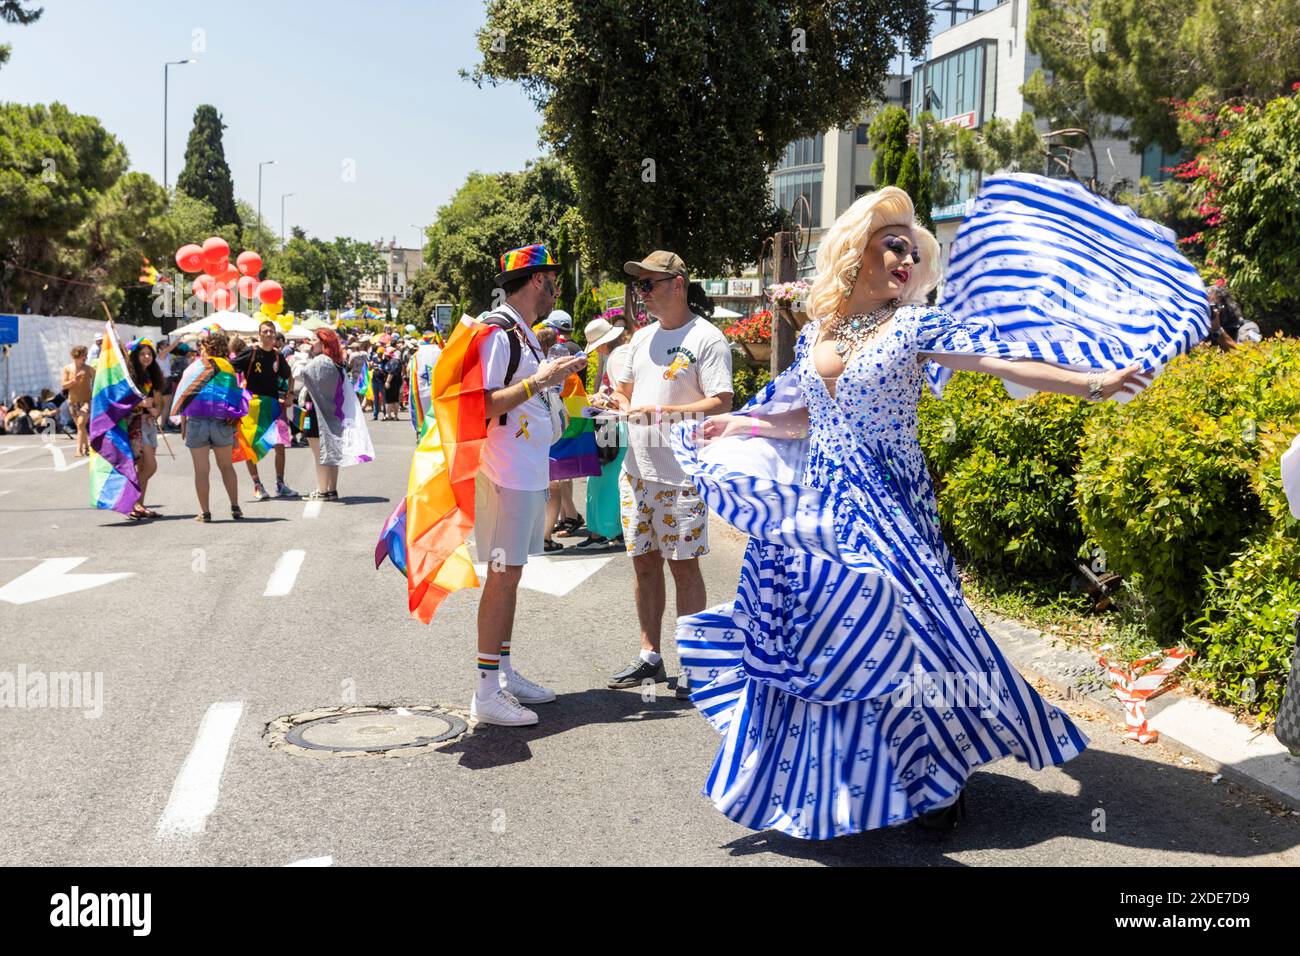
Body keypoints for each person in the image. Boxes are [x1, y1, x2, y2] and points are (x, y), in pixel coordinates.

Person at [670, 186, 1154, 839]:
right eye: (892, 244)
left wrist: (1091, 382)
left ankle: (939, 778)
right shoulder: (822, 333)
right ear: (856, 250)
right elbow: (805, 413)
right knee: (824, 638)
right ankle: (837, 783)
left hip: (889, 501)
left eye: (913, 250)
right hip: (822, 503)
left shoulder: (913, 324)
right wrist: (735, 423)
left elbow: (995, 359)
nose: (906, 259)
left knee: (915, 639)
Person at [595, 251, 733, 698]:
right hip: (637, 471)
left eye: (649, 285)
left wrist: (665, 412)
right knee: (644, 567)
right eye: (639, 286)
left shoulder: (707, 338)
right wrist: (610, 400)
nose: (642, 293)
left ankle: (695, 664)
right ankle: (650, 657)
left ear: (678, 283)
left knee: (684, 569)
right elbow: (625, 392)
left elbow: (721, 402)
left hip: (682, 477)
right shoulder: (641, 339)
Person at [470, 244, 588, 726]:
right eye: (553, 280)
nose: (556, 289)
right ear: (538, 281)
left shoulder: (520, 332)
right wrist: (542, 381)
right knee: (501, 576)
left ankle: (501, 673)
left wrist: (559, 383)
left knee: (512, 573)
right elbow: (483, 405)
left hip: (521, 468)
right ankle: (484, 691)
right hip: (505, 472)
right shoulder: (499, 333)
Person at [171, 330, 246, 523]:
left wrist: (183, 424)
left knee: (202, 471)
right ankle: (235, 506)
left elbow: (185, 396)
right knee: (227, 467)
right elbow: (234, 400)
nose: (200, 351)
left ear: (208, 347)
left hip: (197, 422)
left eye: (202, 347)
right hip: (222, 422)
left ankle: (205, 512)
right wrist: (235, 429)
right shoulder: (228, 369)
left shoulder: (195, 367)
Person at [299, 327, 373, 500]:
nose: (311, 343)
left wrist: (302, 358)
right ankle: (331, 489)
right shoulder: (335, 361)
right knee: (331, 452)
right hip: (333, 413)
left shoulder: (321, 362)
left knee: (320, 455)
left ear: (323, 342)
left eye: (313, 340)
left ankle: (322, 490)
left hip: (317, 414)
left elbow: (301, 374)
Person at [575, 317, 630, 549]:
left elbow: (623, 397)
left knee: (601, 480)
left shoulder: (616, 357)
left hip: (616, 426)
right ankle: (612, 530)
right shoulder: (625, 352)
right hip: (624, 427)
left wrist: (601, 401)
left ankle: (603, 531)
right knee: (610, 480)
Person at [230, 320, 297, 500]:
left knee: (280, 445)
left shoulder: (277, 356)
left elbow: (289, 376)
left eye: (271, 332)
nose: (268, 335)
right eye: (265, 332)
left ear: (275, 335)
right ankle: (257, 485)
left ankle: (280, 484)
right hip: (253, 406)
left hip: (274, 405)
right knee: (249, 447)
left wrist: (290, 393)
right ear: (260, 334)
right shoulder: (251, 352)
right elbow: (231, 367)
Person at [125, 339, 164, 520]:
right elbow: (121, 400)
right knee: (150, 465)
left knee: (143, 468)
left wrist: (156, 410)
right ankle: (133, 502)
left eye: (149, 354)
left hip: (149, 424)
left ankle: (138, 504)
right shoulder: (128, 376)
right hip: (135, 424)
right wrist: (139, 403)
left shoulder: (154, 374)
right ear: (135, 356)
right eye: (142, 354)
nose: (147, 357)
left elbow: (158, 402)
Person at [61, 345, 94, 456]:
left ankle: (78, 450)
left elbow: (99, 380)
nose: (85, 357)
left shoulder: (89, 369)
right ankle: (87, 446)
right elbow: (64, 385)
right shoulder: (68, 369)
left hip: (86, 401)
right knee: (81, 427)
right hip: (73, 402)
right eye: (83, 355)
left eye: (86, 355)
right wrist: (74, 380)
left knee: (80, 424)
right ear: (76, 356)